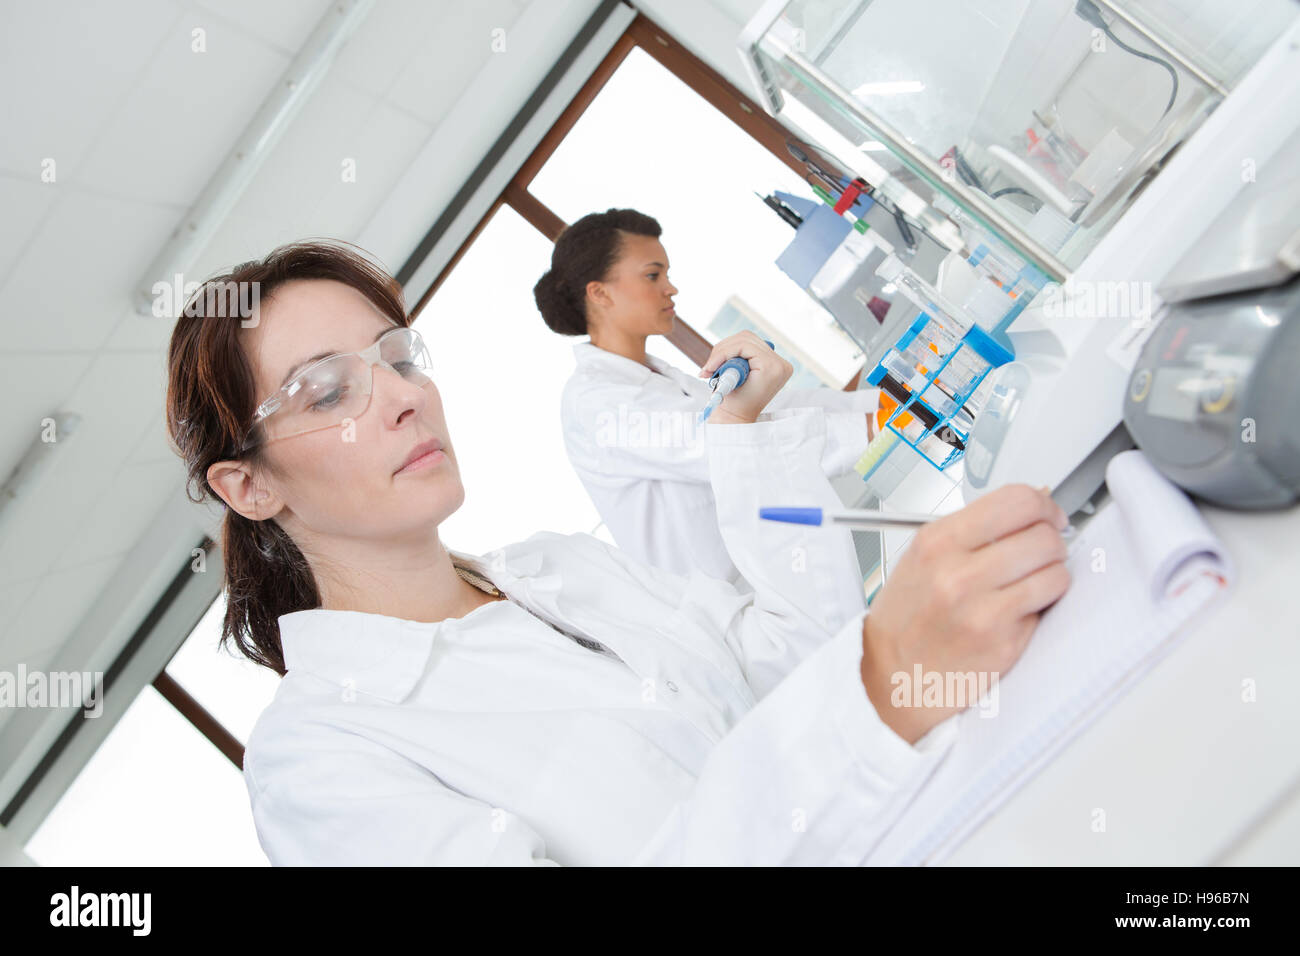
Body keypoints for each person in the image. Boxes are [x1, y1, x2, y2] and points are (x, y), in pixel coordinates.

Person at [165, 238, 1071, 865]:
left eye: (399, 358)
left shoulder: (558, 569)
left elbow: (797, 659)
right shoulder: (319, 758)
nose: (404, 397)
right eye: (326, 392)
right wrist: (876, 700)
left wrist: (908, 653)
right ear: (249, 488)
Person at [534, 208, 881, 584]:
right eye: (653, 275)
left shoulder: (658, 378)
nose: (670, 287)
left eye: (666, 274)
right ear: (600, 293)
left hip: (772, 574)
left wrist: (878, 408)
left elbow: (771, 410)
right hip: (734, 607)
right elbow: (728, 446)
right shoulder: (596, 403)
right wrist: (870, 428)